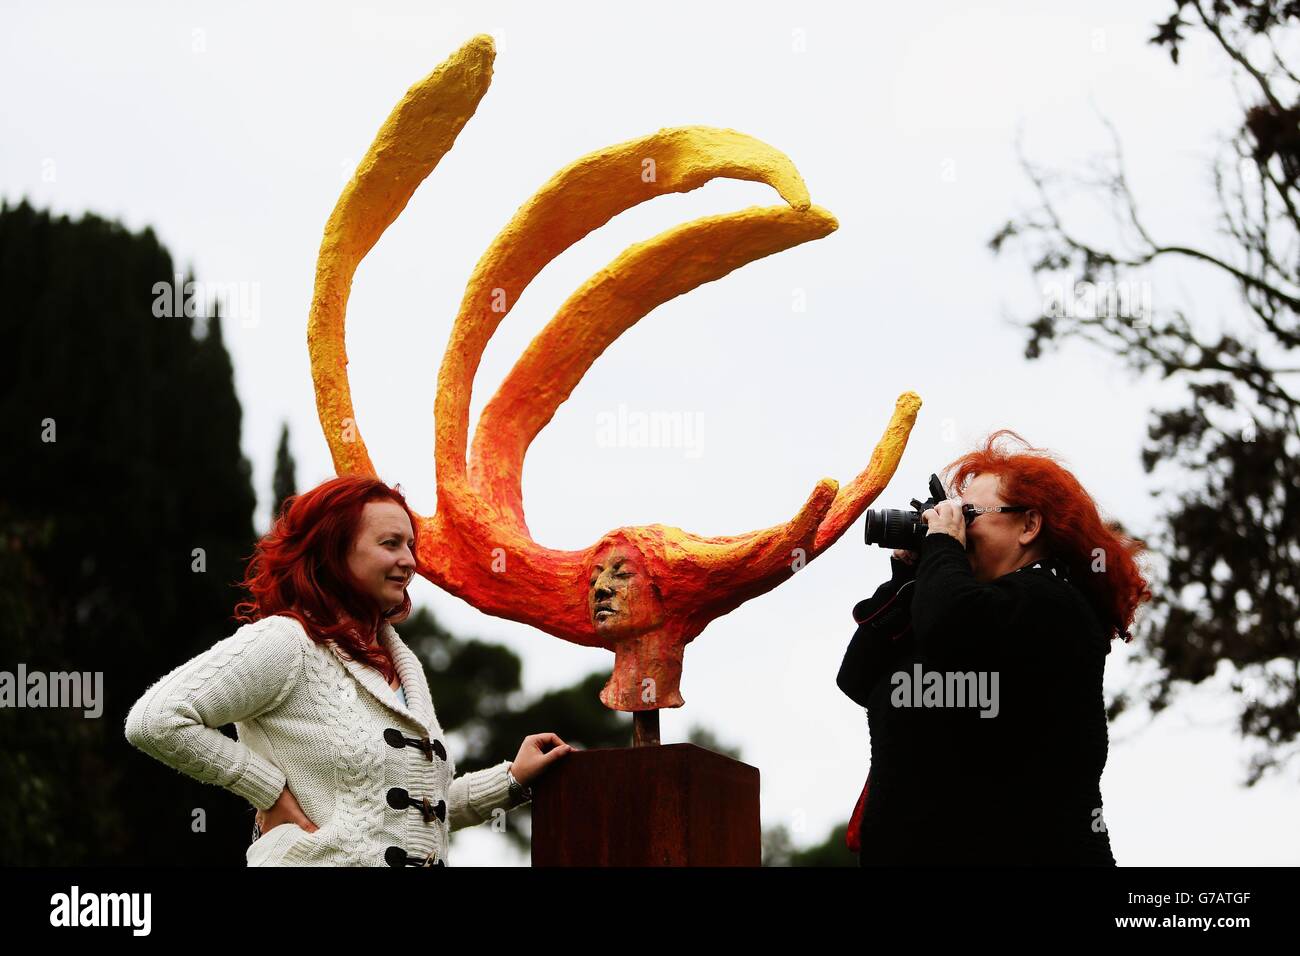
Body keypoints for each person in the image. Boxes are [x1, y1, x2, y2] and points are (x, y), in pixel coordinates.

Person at [125, 475, 573, 866]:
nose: (410, 562)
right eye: (390, 544)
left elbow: (408, 816)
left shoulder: (404, 665)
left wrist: (511, 779)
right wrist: (267, 790)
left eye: (410, 546)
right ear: (334, 552)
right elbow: (156, 719)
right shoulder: (286, 642)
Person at [836, 430, 1149, 865]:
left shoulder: (1054, 607)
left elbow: (954, 626)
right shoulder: (957, 610)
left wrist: (943, 545)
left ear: (1029, 525)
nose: (955, 524)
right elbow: (856, 678)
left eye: (969, 514)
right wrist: (906, 576)